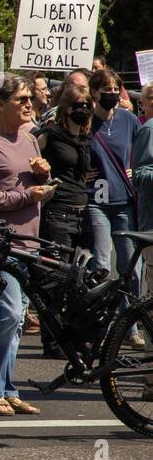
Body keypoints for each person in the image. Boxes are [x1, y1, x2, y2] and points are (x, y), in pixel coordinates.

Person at [0, 75, 55, 416]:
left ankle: (7, 387)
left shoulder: (31, 140)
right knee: (11, 313)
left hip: (29, 239)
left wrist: (44, 176)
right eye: (21, 99)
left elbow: (35, 183)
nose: (30, 103)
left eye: (30, 97)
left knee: (16, 321)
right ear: (0, 104)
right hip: (0, 241)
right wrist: (24, 195)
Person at [36, 82, 94, 358]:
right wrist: (43, 179)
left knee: (80, 282)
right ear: (65, 108)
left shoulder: (85, 136)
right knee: (55, 281)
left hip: (83, 213)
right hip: (58, 213)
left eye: (86, 105)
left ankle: (75, 338)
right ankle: (52, 340)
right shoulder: (51, 134)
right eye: (77, 106)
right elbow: (30, 158)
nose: (82, 110)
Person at [87, 68, 142, 327]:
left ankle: (128, 324)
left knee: (130, 267)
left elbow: (144, 151)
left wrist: (137, 168)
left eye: (114, 89)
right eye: (105, 89)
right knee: (100, 262)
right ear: (94, 92)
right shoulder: (85, 120)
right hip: (96, 202)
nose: (110, 94)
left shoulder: (129, 120)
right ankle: (101, 321)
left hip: (124, 203)